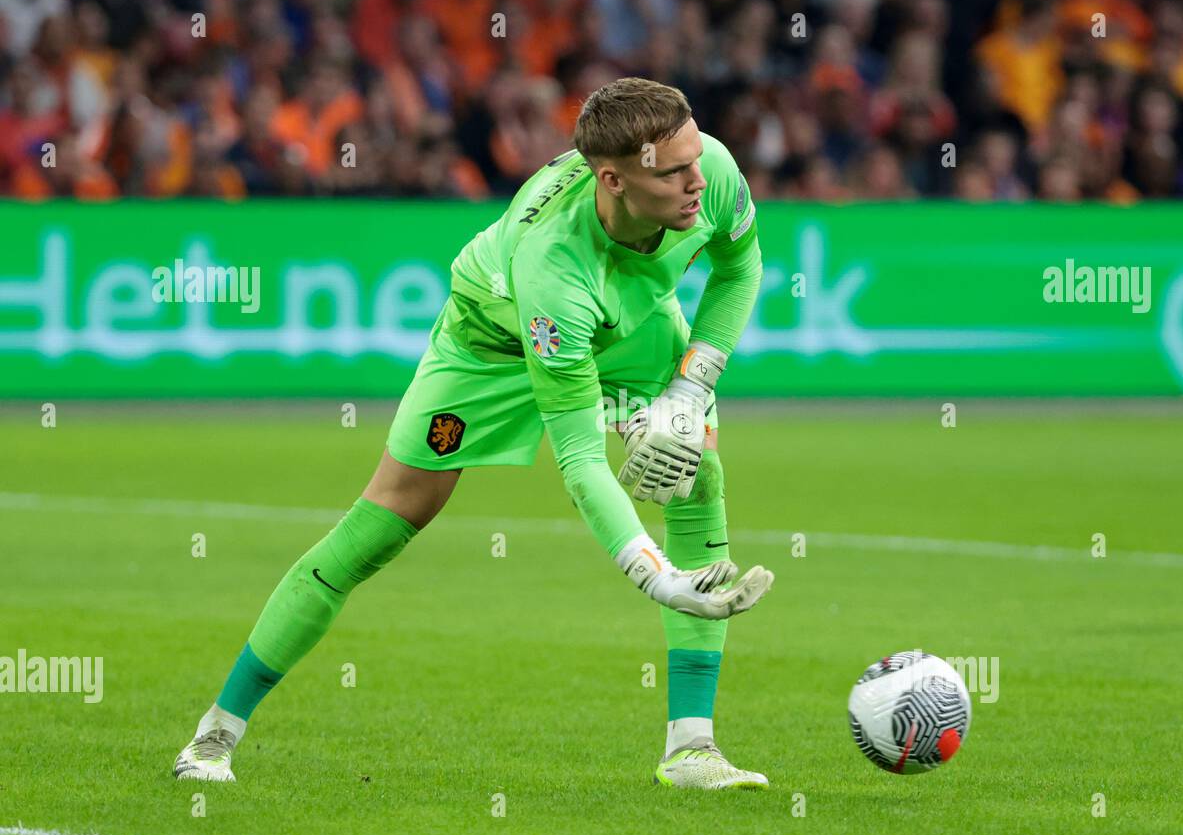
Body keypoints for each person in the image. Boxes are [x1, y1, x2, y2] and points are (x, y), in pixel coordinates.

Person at [173, 77, 775, 790]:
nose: (696, 181)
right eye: (673, 172)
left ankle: (691, 750)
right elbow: (581, 458)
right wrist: (655, 575)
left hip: (629, 328)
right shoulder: (553, 267)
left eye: (695, 157)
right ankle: (215, 733)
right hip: (487, 348)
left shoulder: (710, 169)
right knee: (382, 527)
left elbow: (739, 271)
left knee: (695, 469)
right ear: (611, 179)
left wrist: (691, 383)